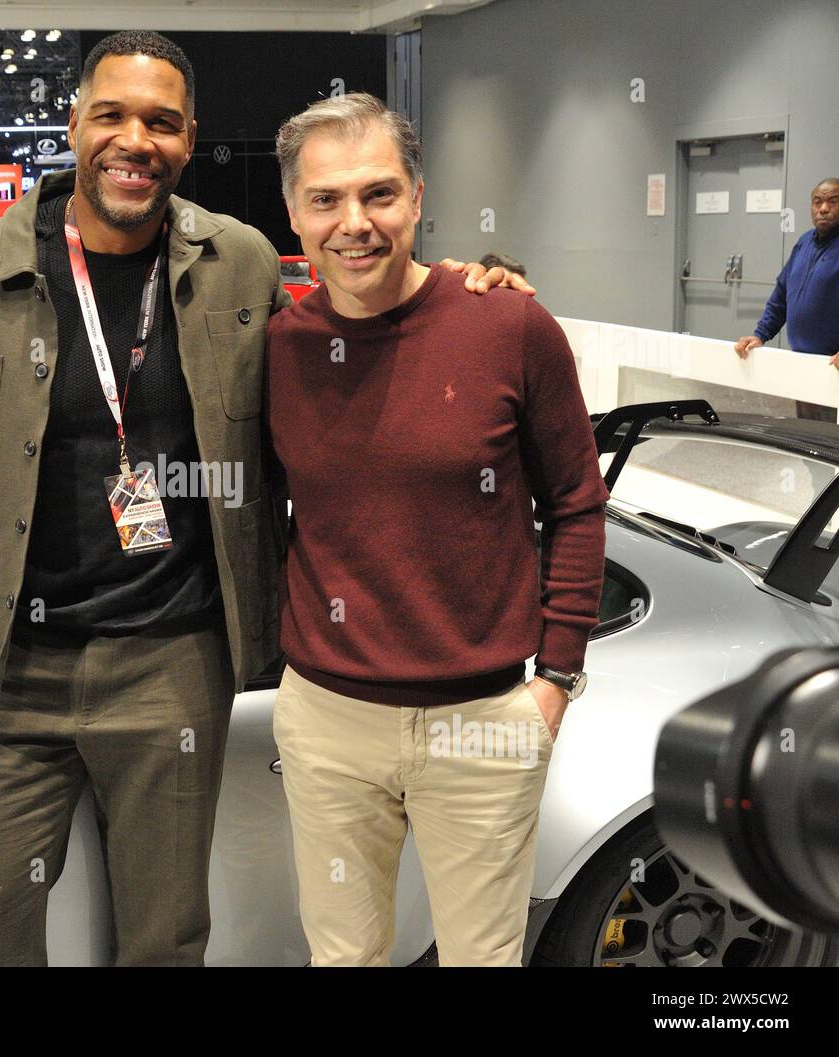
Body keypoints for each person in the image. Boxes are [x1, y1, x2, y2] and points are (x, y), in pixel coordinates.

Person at [0, 32, 524, 967]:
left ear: (189, 141)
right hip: (10, 663)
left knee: (166, 935)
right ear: (74, 126)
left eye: (161, 122)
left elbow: (361, 322)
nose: (134, 140)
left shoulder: (242, 263)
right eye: (112, 115)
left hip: (173, 660)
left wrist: (471, 288)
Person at [265, 93, 608, 966]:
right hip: (330, 718)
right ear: (293, 212)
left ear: (418, 197)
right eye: (326, 200)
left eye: (379, 194)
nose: (355, 224)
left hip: (485, 717)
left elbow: (575, 500)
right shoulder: (278, 348)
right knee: (343, 957)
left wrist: (556, 677)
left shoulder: (509, 323)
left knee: (483, 959)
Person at [734, 177, 839, 421]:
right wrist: (761, 334)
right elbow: (781, 295)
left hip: (834, 366)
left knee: (833, 441)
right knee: (809, 436)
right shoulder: (803, 243)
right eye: (817, 202)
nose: (823, 208)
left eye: (833, 201)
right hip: (802, 361)